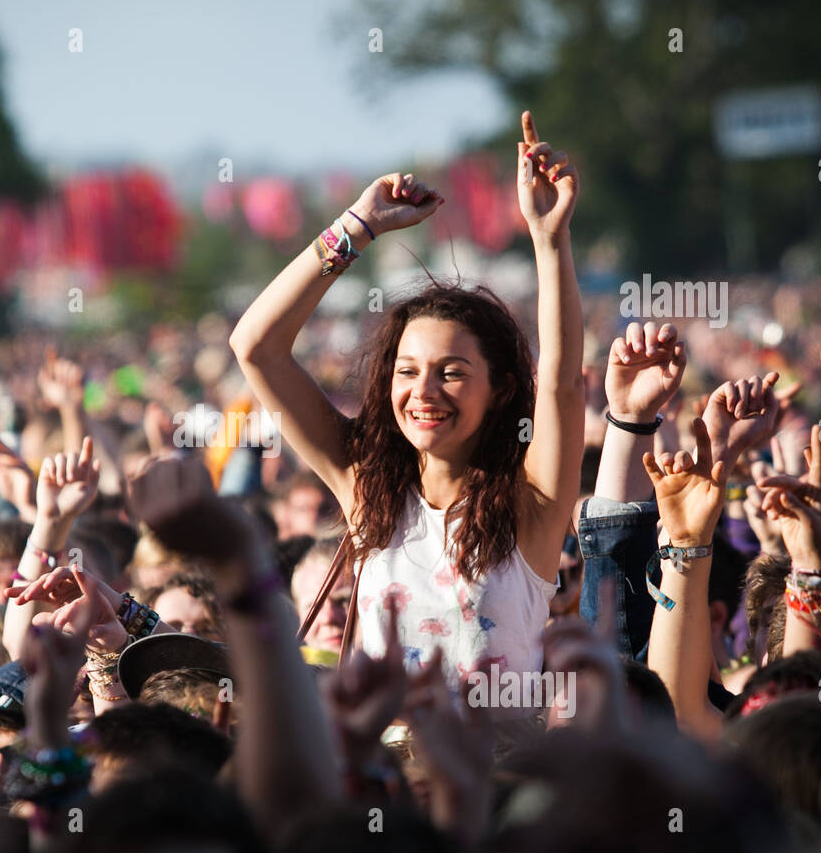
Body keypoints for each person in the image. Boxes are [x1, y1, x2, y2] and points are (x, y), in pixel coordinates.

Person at [231, 111, 583, 683]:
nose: (423, 392)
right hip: (381, 769)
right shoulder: (368, 494)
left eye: (451, 373)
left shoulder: (531, 508)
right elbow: (255, 347)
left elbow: (564, 381)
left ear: (501, 393)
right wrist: (357, 227)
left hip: (498, 771)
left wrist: (550, 238)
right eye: (407, 370)